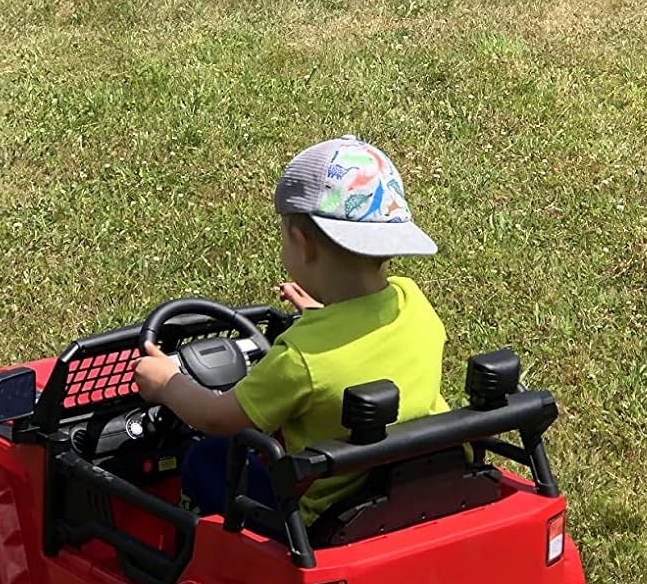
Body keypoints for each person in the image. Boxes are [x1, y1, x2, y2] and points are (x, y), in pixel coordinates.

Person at [133, 135, 448, 528]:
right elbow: (368, 348)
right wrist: (322, 314)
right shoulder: (413, 303)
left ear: (303, 244)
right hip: (408, 493)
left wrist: (166, 383)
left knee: (207, 457)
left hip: (325, 523)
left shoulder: (301, 358)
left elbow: (217, 418)